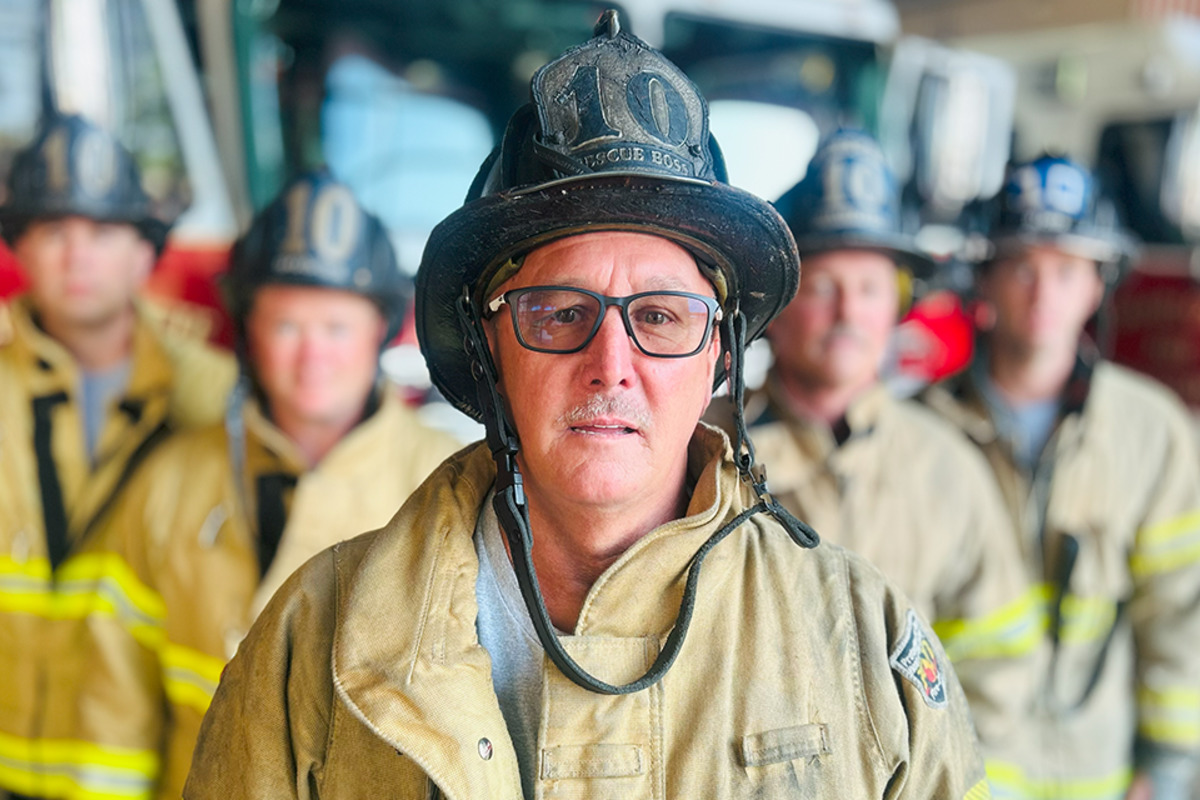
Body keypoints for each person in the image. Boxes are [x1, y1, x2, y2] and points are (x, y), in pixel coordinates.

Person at [186, 13, 990, 799]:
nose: (611, 368)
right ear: (490, 349)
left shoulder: (863, 644)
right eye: (559, 314)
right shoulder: (313, 644)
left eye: (662, 318)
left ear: (719, 355)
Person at [74, 170, 461, 800]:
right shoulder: (169, 482)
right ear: (248, 334)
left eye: (336, 327)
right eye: (286, 326)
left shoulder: (450, 491)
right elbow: (113, 702)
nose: (312, 356)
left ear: (380, 333)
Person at [707, 129, 1041, 754]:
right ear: (776, 307)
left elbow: (999, 668)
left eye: (870, 289)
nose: (848, 315)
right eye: (825, 286)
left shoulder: (947, 468)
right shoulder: (700, 451)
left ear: (897, 306)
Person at [922, 154, 1200, 800]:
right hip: (960, 778)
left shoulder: (1150, 430)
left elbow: (1181, 610)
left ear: (1098, 286)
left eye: (1068, 270)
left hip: (1100, 779)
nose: (1044, 292)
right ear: (984, 280)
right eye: (1023, 266)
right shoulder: (923, 436)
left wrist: (1165, 766)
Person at [0, 114, 235, 800]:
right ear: (20, 250)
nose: (77, 257)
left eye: (101, 233)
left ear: (144, 253)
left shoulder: (216, 398)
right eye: (53, 233)